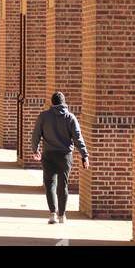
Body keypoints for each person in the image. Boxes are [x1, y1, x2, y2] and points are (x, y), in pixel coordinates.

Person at [31, 91, 89, 225]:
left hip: (49, 154)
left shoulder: (44, 116)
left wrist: (36, 150)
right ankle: (62, 215)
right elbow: (77, 138)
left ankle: (52, 214)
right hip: (65, 156)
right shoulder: (70, 117)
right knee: (63, 185)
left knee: (50, 184)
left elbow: (36, 135)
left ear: (52, 102)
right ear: (64, 102)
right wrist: (84, 155)